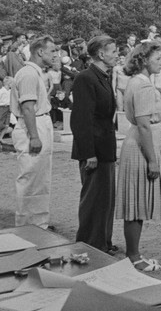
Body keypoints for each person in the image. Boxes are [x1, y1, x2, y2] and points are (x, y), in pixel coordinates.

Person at [116, 42, 161, 272]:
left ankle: (134, 253)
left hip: (139, 142)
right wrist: (152, 160)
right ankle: (133, 256)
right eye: (158, 57)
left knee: (136, 203)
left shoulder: (137, 82)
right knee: (136, 204)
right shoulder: (143, 86)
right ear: (144, 60)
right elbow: (144, 126)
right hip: (141, 146)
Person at [70, 35, 119, 253]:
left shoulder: (103, 77)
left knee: (106, 200)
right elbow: (81, 119)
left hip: (105, 147)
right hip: (94, 150)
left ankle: (102, 241)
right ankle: (90, 244)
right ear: (101, 54)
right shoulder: (86, 78)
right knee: (94, 200)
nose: (117, 55)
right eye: (114, 51)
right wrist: (88, 152)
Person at [10, 35, 59, 228]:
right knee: (30, 177)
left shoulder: (35, 72)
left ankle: (38, 223)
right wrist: (35, 136)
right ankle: (26, 226)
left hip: (40, 122)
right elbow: (28, 107)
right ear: (40, 51)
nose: (56, 54)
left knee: (40, 179)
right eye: (52, 50)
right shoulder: (29, 73)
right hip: (33, 125)